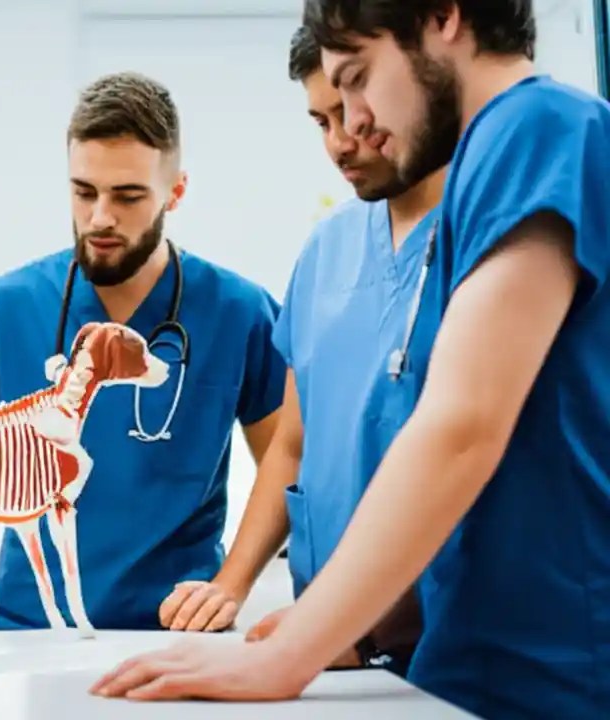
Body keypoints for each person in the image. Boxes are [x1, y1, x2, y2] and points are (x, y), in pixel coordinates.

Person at [90, 1, 610, 716]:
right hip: (454, 666)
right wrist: (337, 627)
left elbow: (462, 425)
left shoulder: (541, 126)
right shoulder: (482, 170)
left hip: (550, 678)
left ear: (443, 16)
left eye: (360, 77)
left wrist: (286, 655)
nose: (355, 122)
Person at [0, 71, 286, 632]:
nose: (100, 218)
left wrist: (231, 584)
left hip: (176, 633)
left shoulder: (238, 312)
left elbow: (287, 462)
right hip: (30, 633)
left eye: (128, 196)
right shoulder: (11, 304)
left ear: (176, 191)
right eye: (84, 191)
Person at [161, 26, 437, 676]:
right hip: (331, 651)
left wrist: (360, 629)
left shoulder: (478, 243)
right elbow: (293, 442)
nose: (341, 140)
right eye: (321, 120)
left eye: (350, 112)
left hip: (435, 647)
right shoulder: (326, 251)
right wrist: (231, 583)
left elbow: (473, 457)